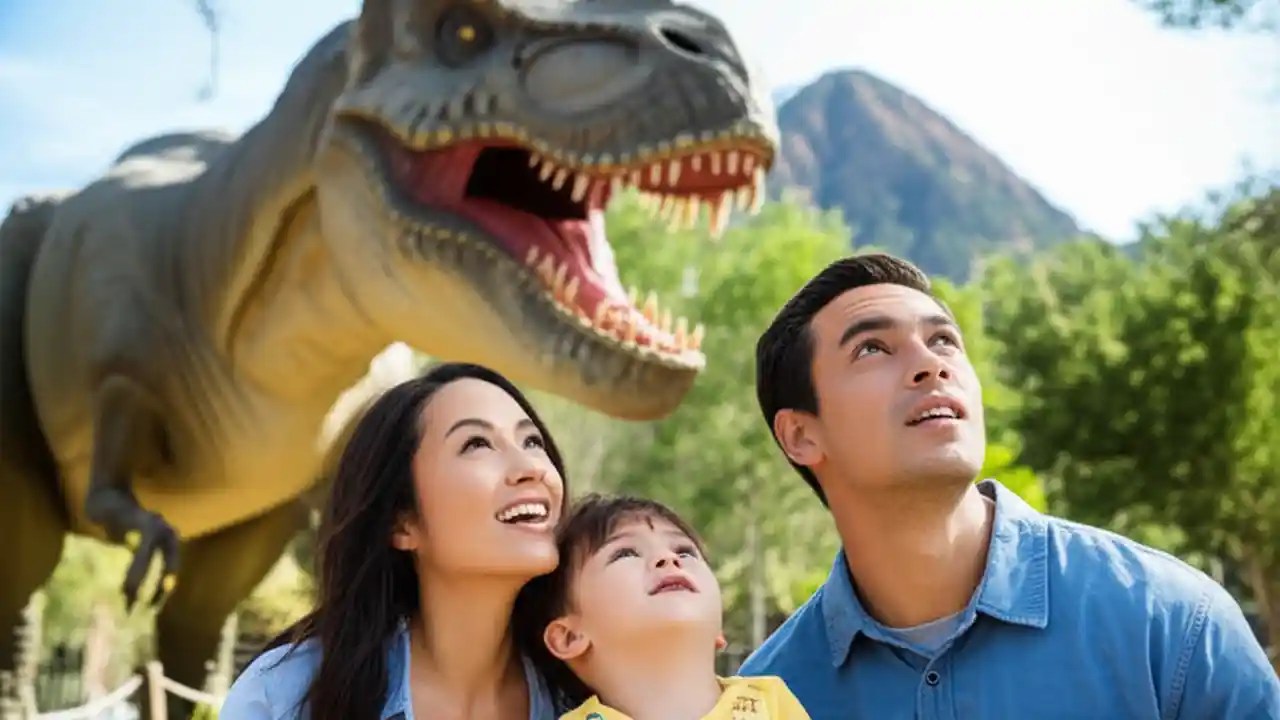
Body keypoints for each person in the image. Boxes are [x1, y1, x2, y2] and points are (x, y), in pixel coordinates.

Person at [739, 253, 1280, 718]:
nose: (931, 365)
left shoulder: (1167, 623)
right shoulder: (770, 697)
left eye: (944, 340)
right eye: (872, 349)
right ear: (801, 435)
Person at [221, 362, 568, 720]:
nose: (531, 467)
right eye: (477, 444)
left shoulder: (586, 697)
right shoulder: (284, 696)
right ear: (403, 522)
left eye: (532, 441)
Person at [517, 493, 810, 720]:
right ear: (569, 637)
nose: (669, 560)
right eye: (625, 553)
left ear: (718, 631)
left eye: (684, 551)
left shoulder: (772, 703)